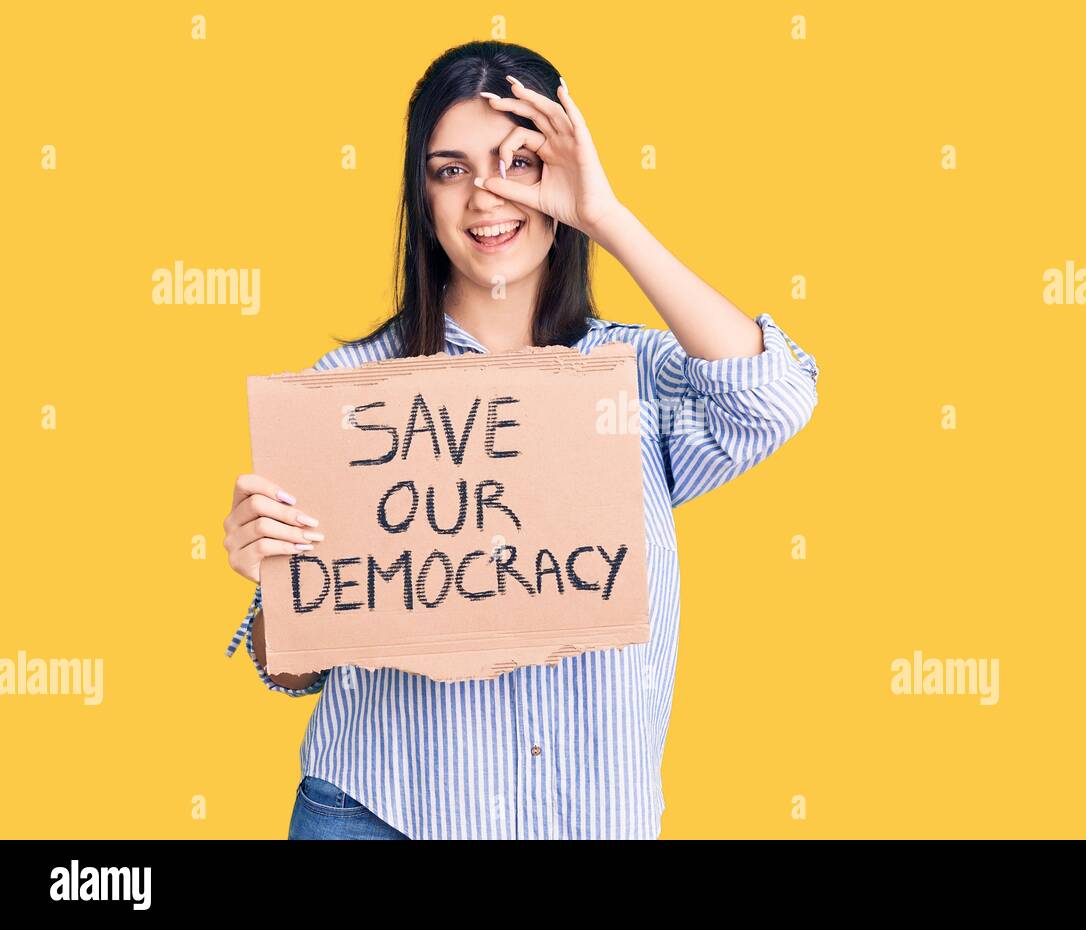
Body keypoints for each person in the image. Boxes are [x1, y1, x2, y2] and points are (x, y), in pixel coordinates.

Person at [222, 39, 819, 839]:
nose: (485, 197)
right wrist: (275, 584)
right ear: (422, 195)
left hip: (590, 817)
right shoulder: (350, 389)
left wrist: (606, 215)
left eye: (521, 163)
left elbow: (773, 399)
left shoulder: (633, 377)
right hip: (381, 811)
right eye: (451, 169)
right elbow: (295, 668)